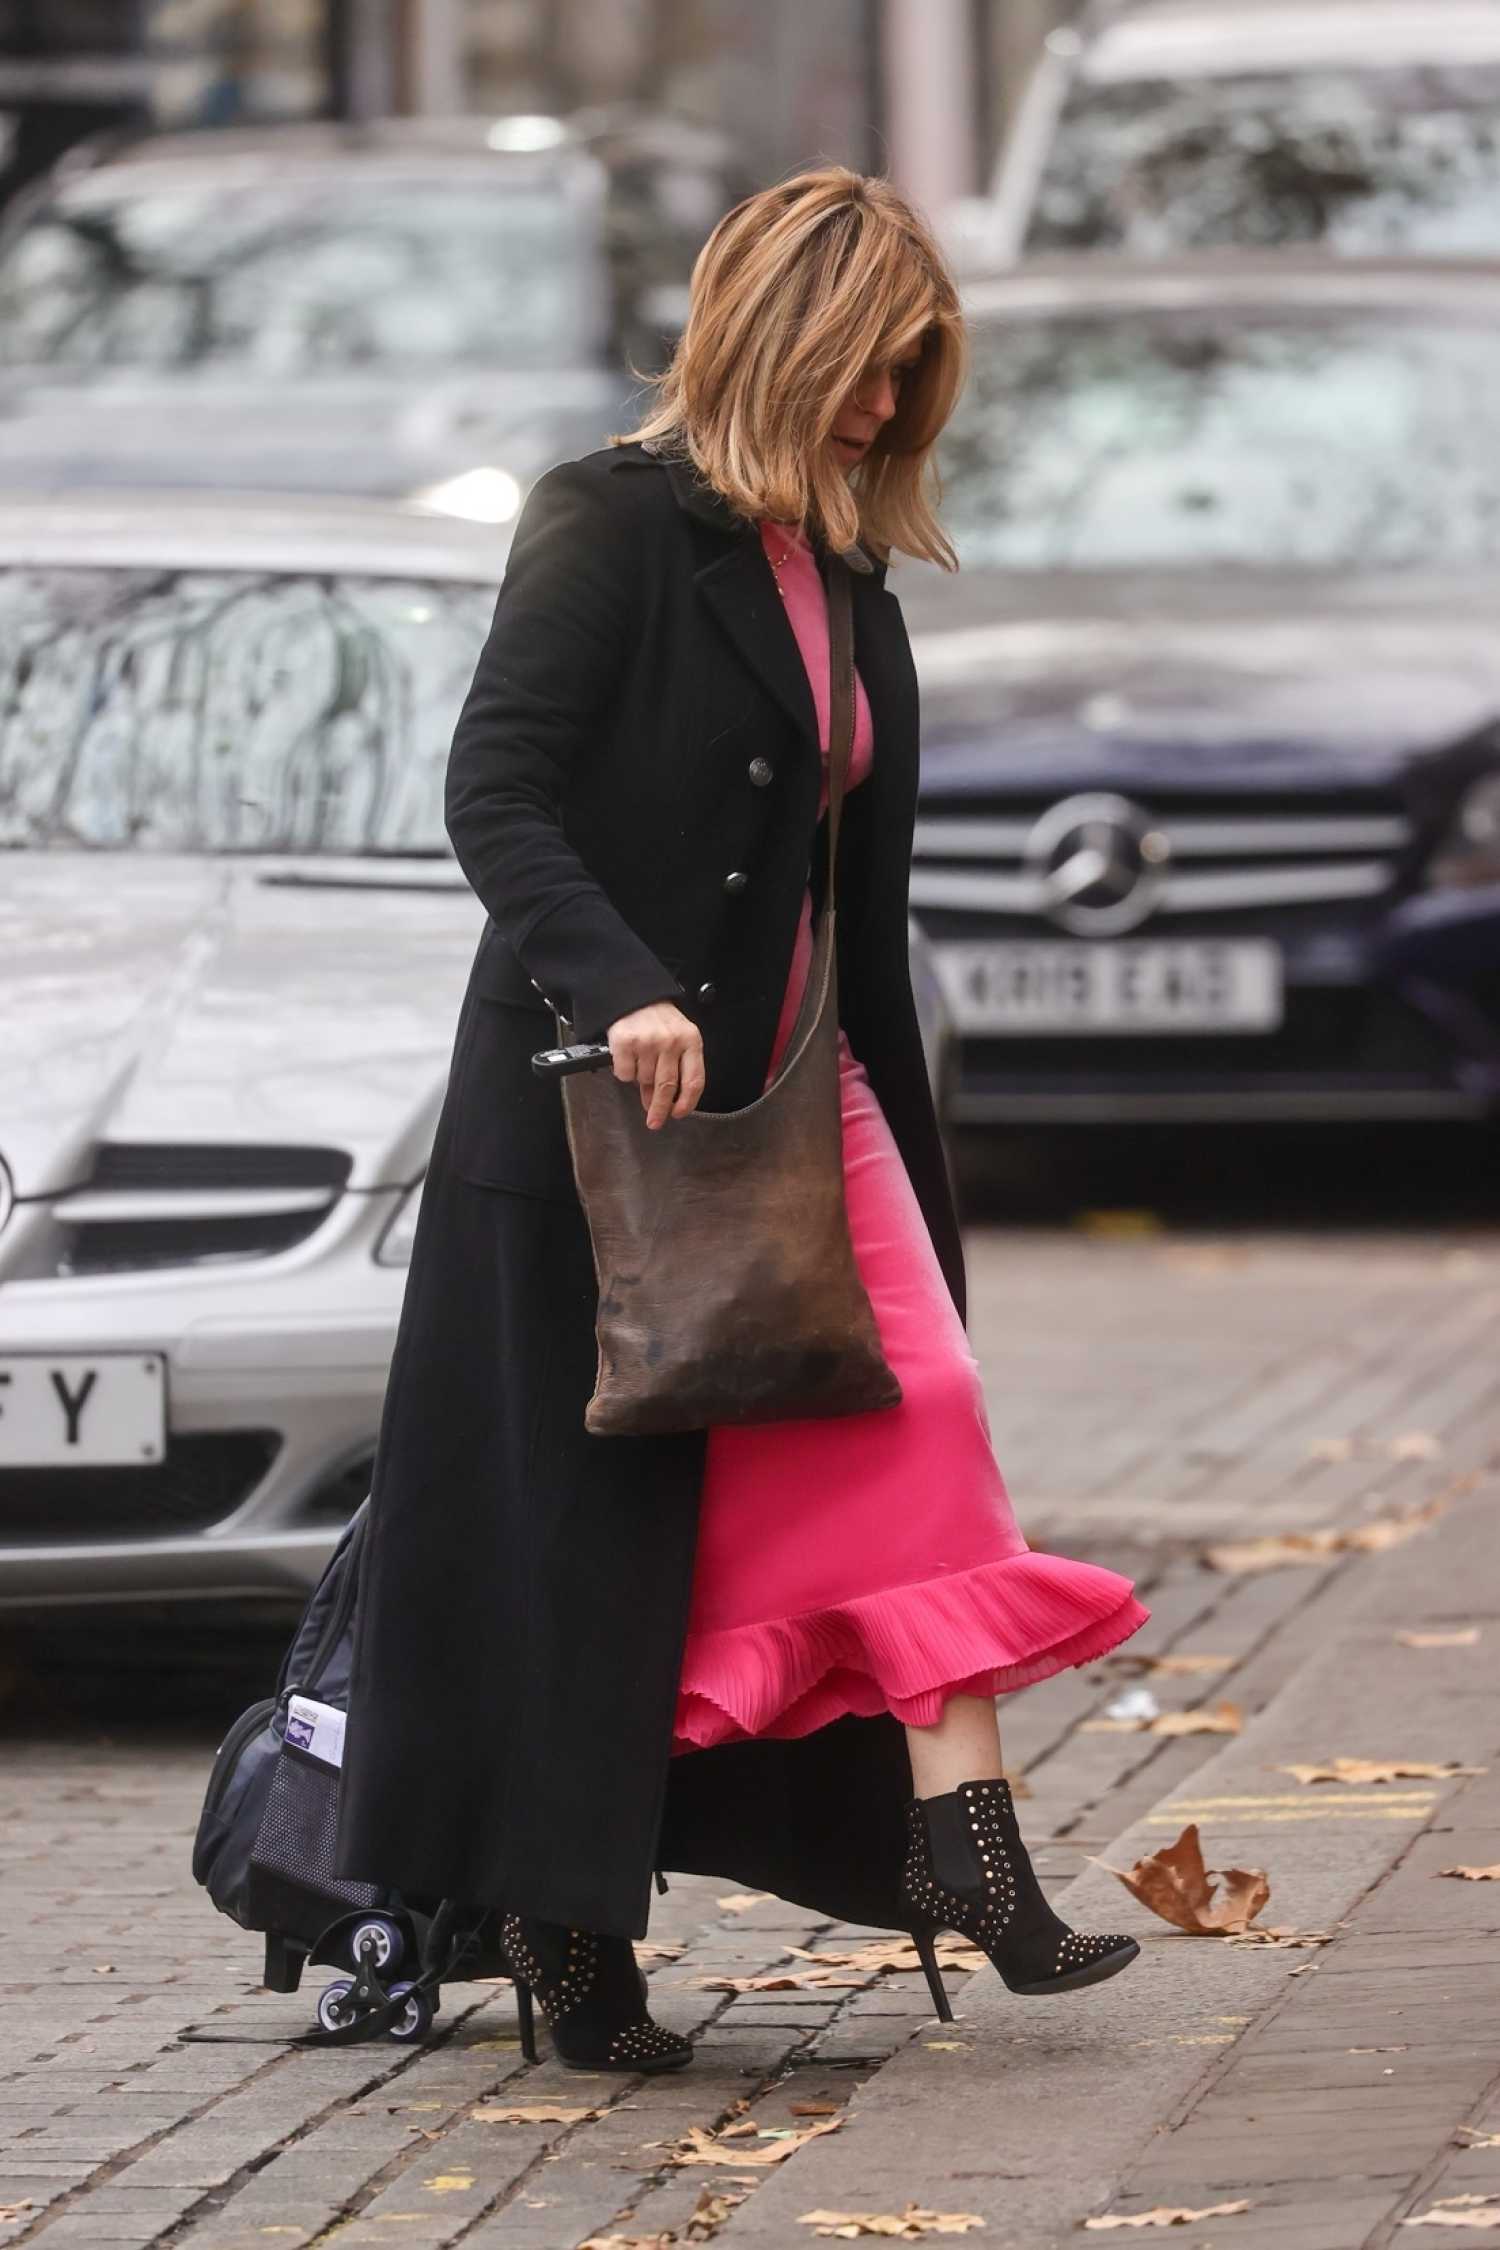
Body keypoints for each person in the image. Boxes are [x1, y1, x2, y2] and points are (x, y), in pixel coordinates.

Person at [336, 166, 1150, 2074]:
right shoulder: (609, 521)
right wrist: (619, 981)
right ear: (770, 339)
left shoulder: (847, 572)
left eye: (909, 375)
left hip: (806, 1091)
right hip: (599, 1118)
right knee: (596, 1531)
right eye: (863, 368)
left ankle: (969, 1848)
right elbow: (496, 788)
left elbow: (847, 876)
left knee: (925, 1404)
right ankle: (565, 1929)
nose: (884, 407)